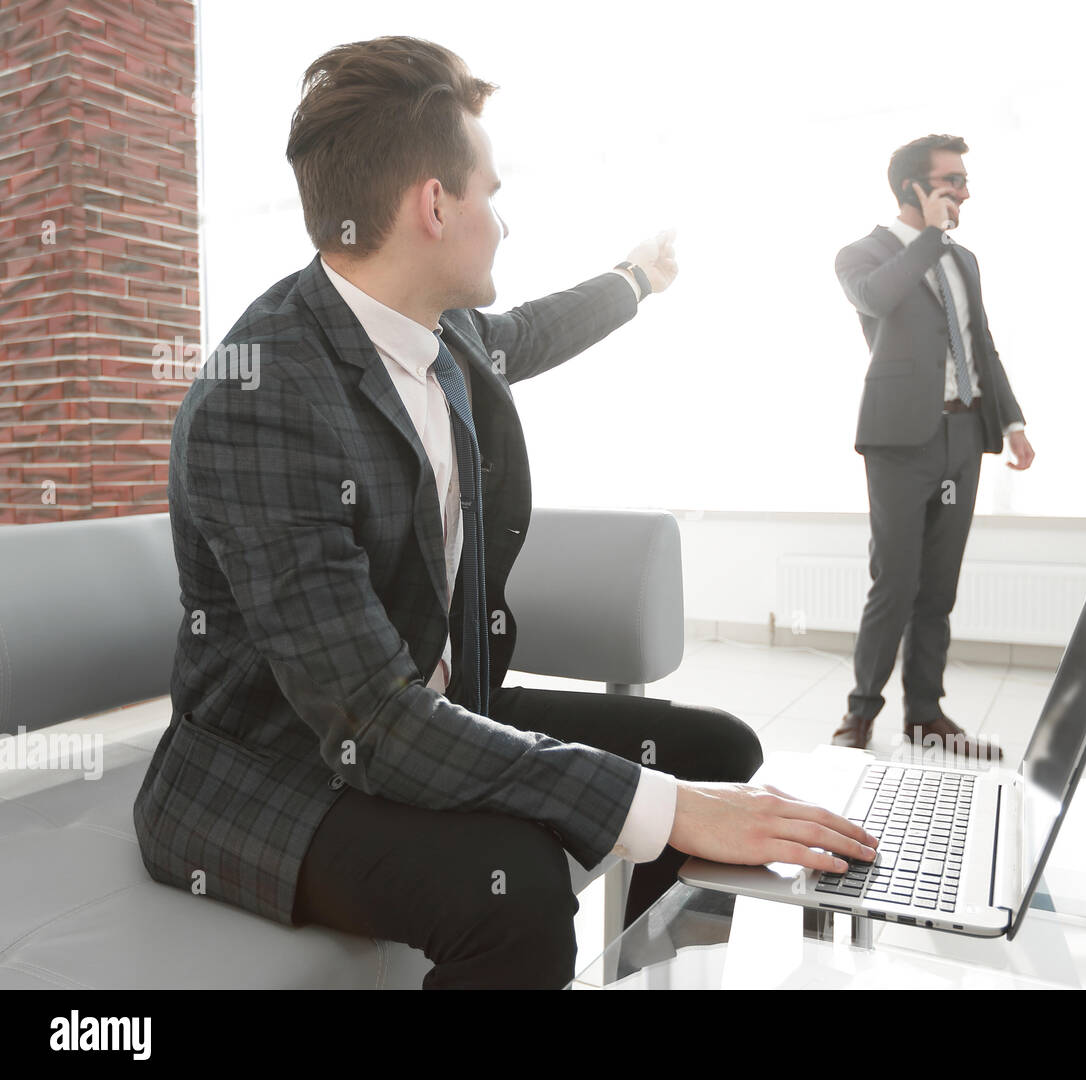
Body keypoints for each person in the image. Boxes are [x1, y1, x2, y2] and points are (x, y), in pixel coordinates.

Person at [133, 36, 874, 990]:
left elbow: (535, 330)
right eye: (492, 192)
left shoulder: (443, 340)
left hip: (420, 714)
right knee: (515, 890)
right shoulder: (264, 396)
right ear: (434, 205)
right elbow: (370, 722)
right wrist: (660, 807)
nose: (505, 223)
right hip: (278, 770)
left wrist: (635, 280)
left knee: (717, 753)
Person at [831, 134, 1035, 758]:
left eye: (964, 181)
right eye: (951, 181)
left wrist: (1011, 422)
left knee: (938, 587)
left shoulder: (964, 260)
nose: (965, 192)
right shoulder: (860, 255)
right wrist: (928, 237)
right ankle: (860, 714)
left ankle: (926, 713)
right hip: (899, 440)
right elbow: (876, 299)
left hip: (964, 433)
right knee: (894, 580)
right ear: (913, 189)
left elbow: (982, 344)